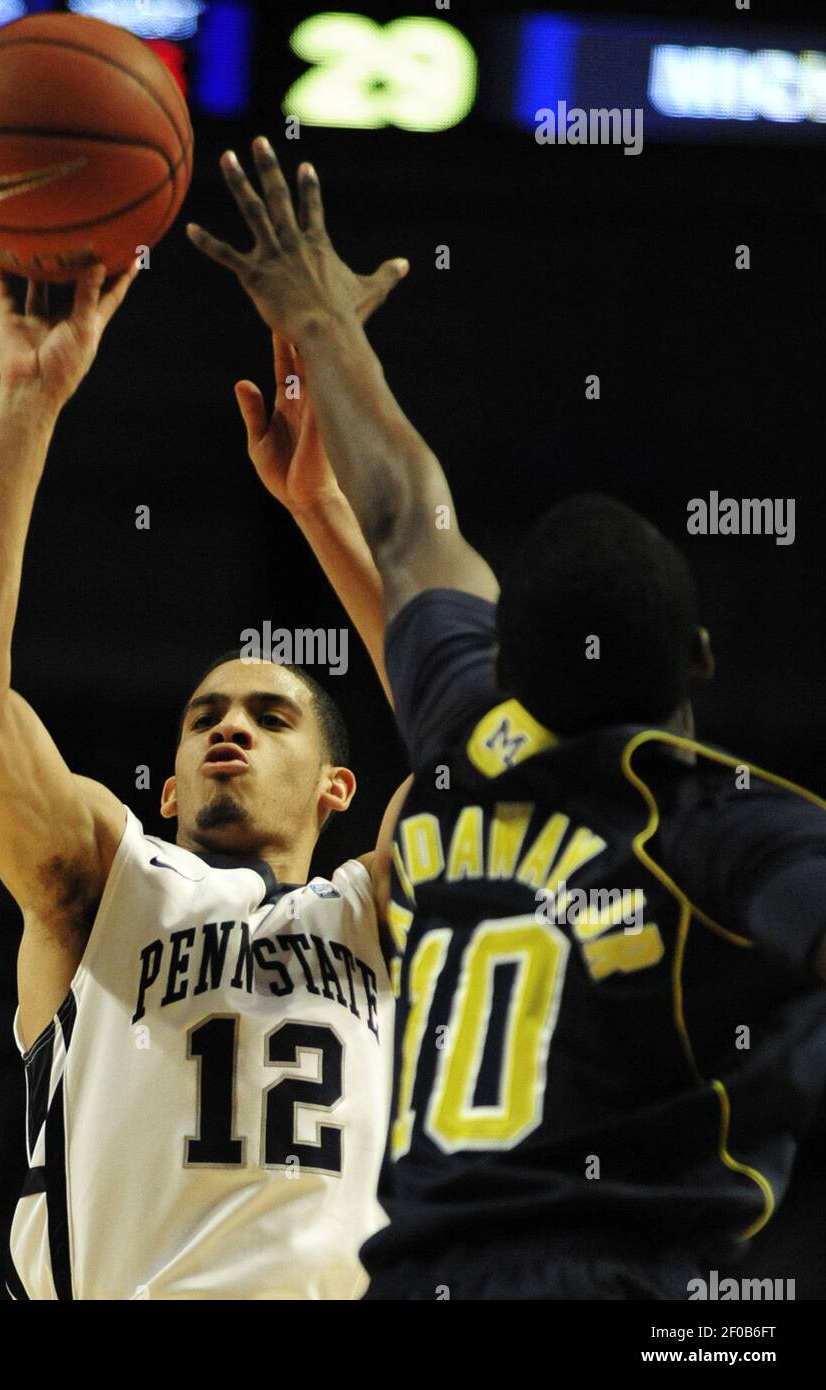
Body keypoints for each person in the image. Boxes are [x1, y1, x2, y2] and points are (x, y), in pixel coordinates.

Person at [188, 136, 826, 1300]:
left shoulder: (460, 735)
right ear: (696, 659)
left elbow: (405, 515)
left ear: (504, 663)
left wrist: (318, 318)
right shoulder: (723, 828)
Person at [0, 258, 407, 1299]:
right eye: (202, 716)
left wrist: (318, 506)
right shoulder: (111, 880)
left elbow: (490, 744)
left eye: (270, 717)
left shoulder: (376, 908)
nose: (228, 727)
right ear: (167, 788)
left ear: (336, 788)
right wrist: (29, 401)